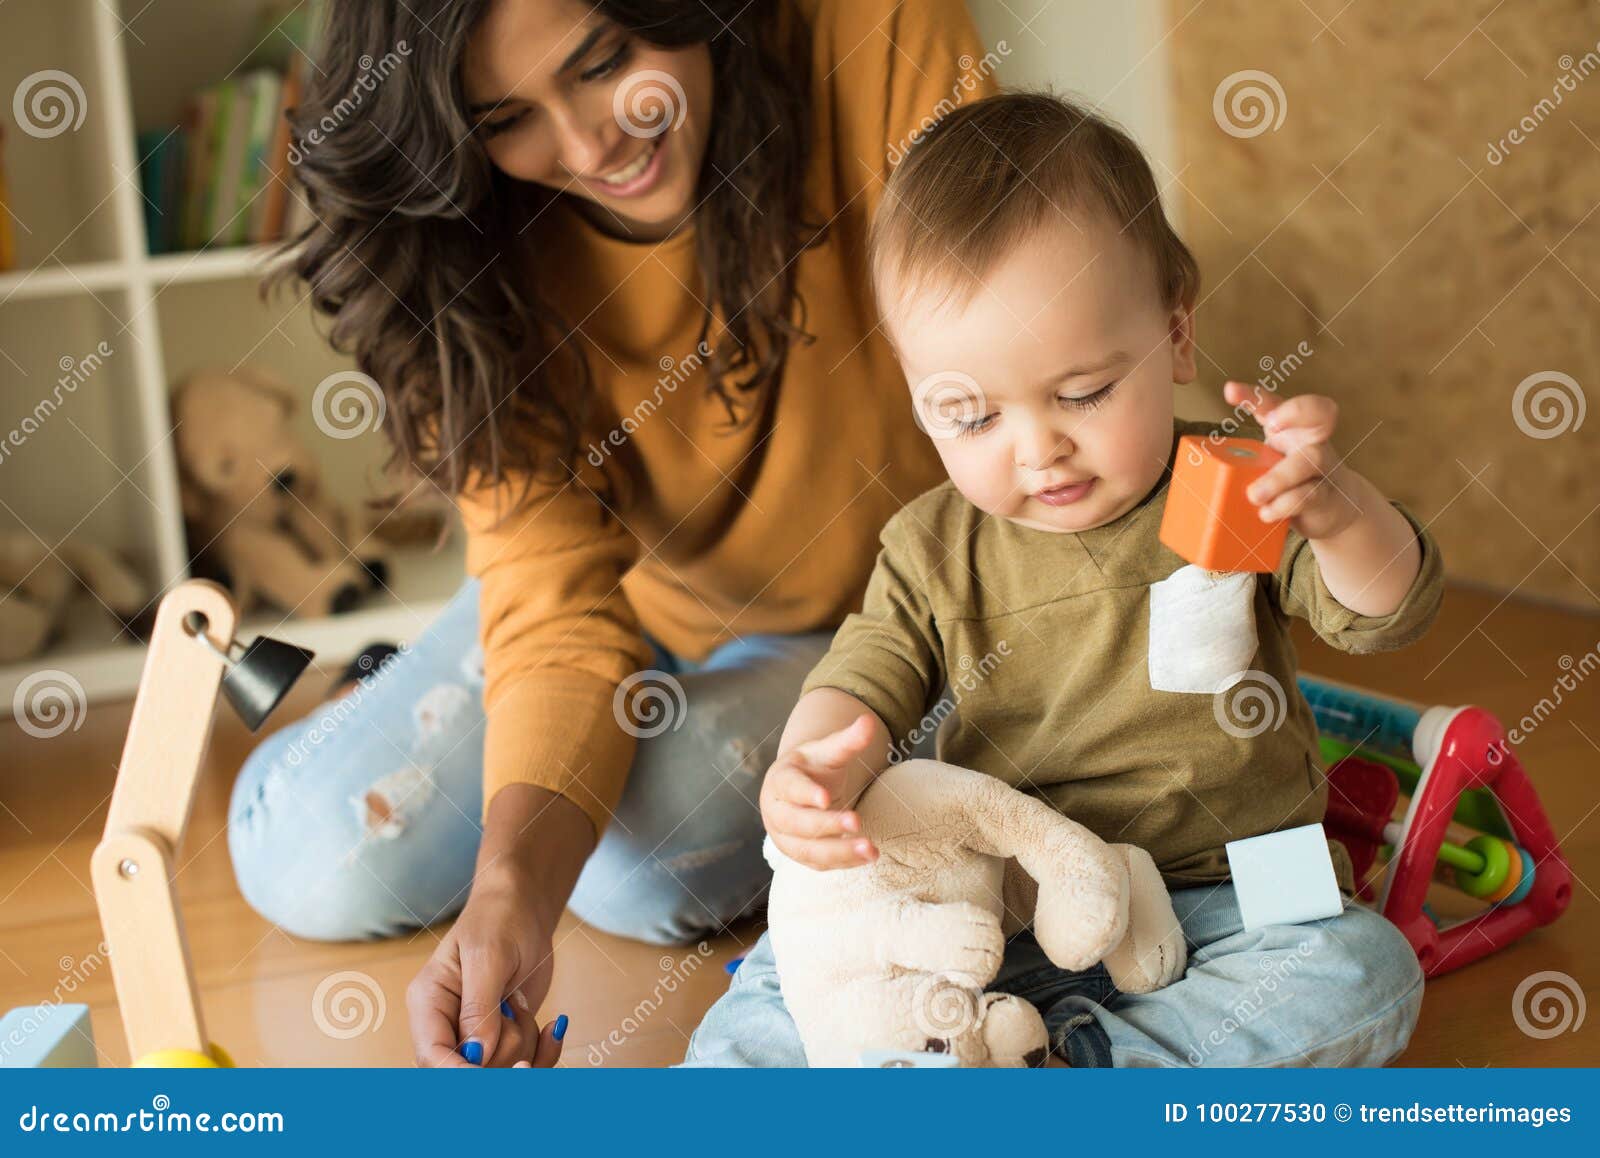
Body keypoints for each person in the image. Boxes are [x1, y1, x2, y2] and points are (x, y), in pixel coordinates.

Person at [226, 0, 999, 1067]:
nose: (592, 144)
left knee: (636, 873)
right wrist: (508, 894)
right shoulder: (472, 241)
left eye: (603, 61)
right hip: (616, 601)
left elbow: (1015, 331)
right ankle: (450, 718)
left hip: (875, 615)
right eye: (505, 118)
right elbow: (557, 610)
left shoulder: (875, 31)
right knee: (309, 858)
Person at [683, 91, 1443, 1067]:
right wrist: (811, 769)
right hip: (992, 899)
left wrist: (1337, 512)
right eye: (969, 416)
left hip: (1215, 900)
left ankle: (1063, 1066)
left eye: (1081, 394)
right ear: (921, 402)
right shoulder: (930, 546)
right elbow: (861, 675)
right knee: (786, 976)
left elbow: (1382, 613)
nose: (1038, 448)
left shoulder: (1235, 486)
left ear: (1173, 334)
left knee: (1361, 974)